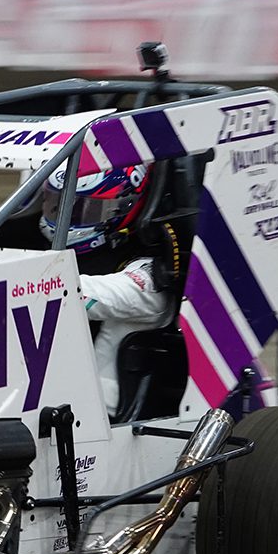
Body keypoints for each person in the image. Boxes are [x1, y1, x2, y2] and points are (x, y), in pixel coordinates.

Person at [38, 164, 176, 411]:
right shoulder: (59, 253)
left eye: (85, 209)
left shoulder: (149, 279)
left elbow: (85, 295)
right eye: (57, 205)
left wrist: (16, 284)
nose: (66, 217)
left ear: (122, 208)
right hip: (44, 401)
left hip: (99, 418)